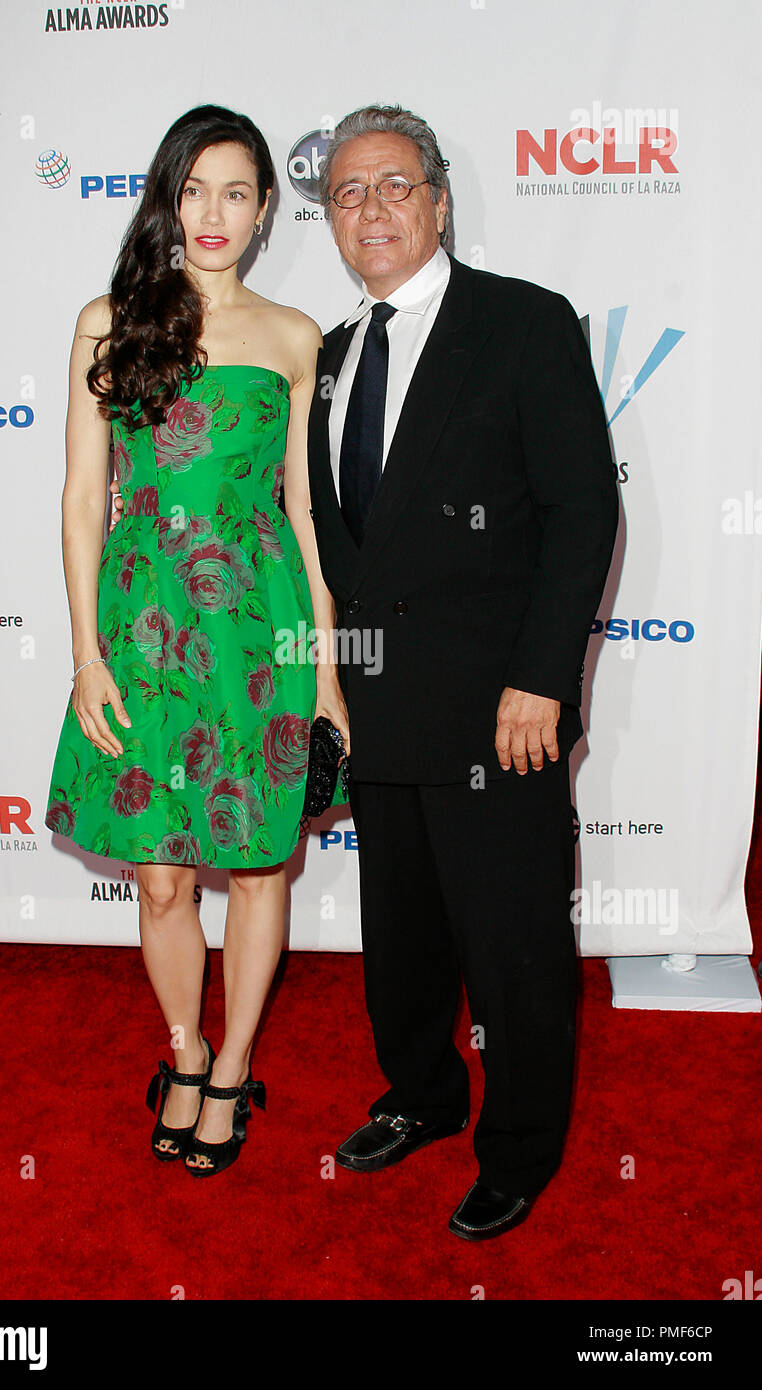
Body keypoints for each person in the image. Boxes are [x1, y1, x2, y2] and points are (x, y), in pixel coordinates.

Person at [306, 105, 619, 1239]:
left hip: (500, 712)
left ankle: (521, 1145)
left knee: (514, 942)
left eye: (393, 185)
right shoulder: (332, 355)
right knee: (401, 941)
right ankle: (421, 1097)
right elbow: (337, 541)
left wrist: (542, 675)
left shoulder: (523, 324)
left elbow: (583, 509)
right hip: (378, 703)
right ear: (331, 221)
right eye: (346, 193)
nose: (370, 208)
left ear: (439, 199)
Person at [44, 105, 349, 1177]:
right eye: (194, 190)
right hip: (140, 627)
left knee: (260, 865)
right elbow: (85, 499)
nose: (212, 214)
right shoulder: (106, 319)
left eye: (236, 192)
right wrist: (86, 652)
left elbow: (307, 515)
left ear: (265, 210)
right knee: (161, 879)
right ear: (166, 200)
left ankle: (234, 1070)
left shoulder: (296, 336)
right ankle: (184, 1047)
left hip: (257, 631)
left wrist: (325, 670)